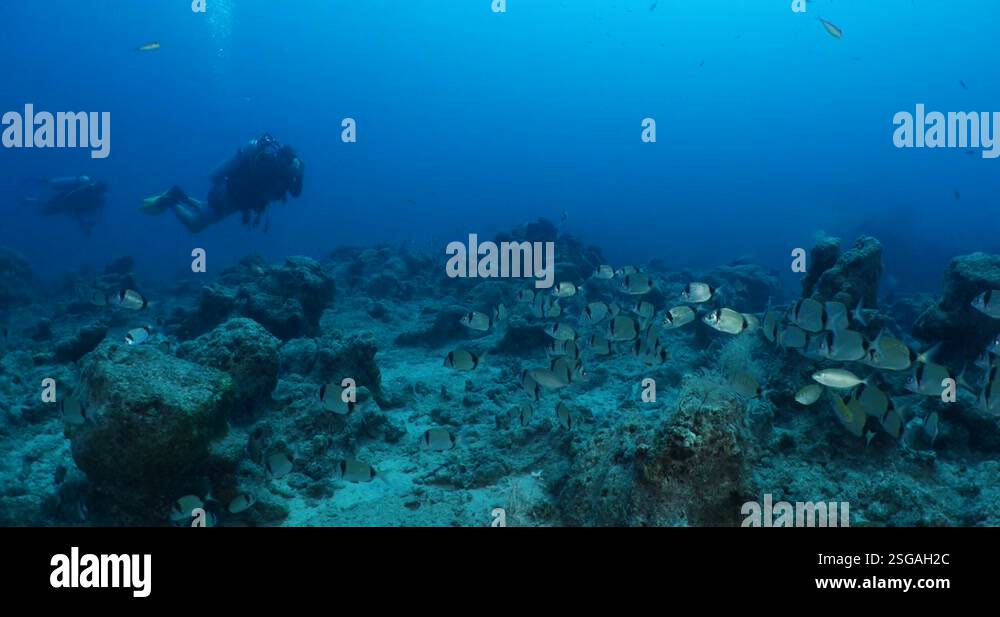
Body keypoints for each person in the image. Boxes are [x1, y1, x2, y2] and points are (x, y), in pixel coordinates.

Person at [140, 133, 305, 233]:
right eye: (290, 163)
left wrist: (300, 174)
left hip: (228, 195)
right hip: (228, 196)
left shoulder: (281, 172)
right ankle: (172, 200)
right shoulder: (270, 166)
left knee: (205, 209)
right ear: (283, 159)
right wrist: (296, 173)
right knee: (195, 226)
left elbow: (295, 193)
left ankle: (179, 195)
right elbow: (276, 187)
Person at [22, 175, 108, 235]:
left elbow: (82, 212)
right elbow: (84, 214)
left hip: (65, 203)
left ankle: (30, 200)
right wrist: (86, 225)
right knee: (44, 209)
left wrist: (86, 224)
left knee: (44, 209)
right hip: (64, 201)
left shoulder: (95, 200)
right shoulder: (94, 198)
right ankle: (30, 200)